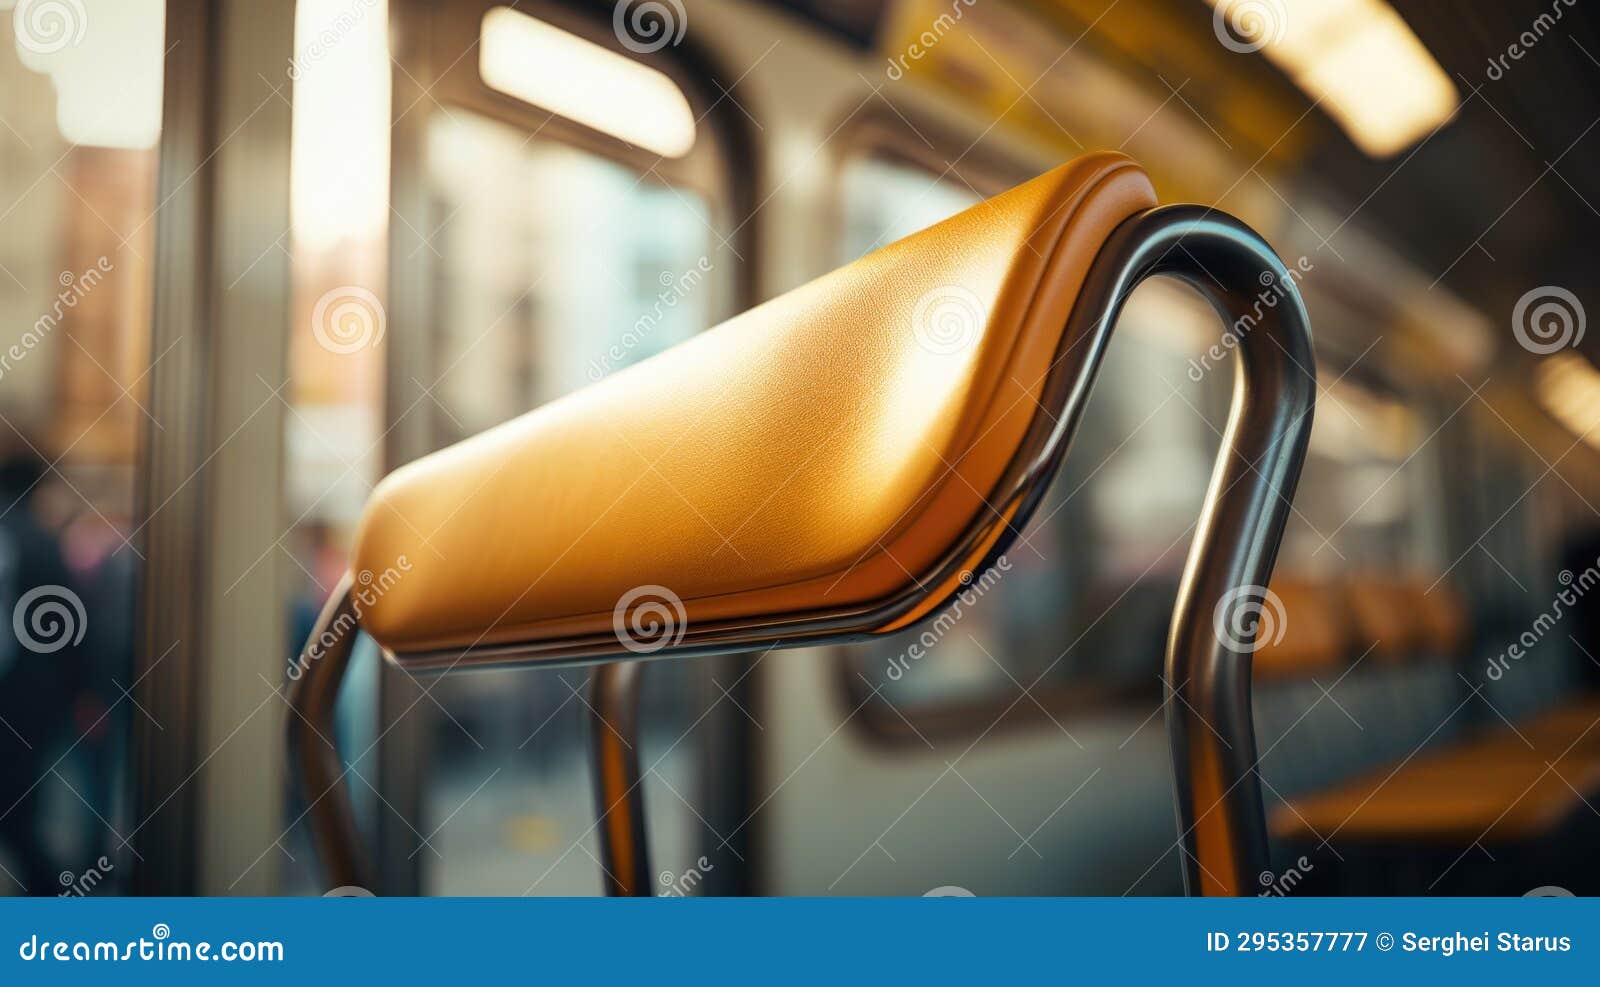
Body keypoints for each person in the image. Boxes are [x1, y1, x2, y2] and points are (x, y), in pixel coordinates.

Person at [0, 439, 78, 895]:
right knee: (21, 815)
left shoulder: (20, 536)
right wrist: (74, 694)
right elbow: (68, 628)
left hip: (20, 698)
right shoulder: (38, 539)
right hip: (28, 704)